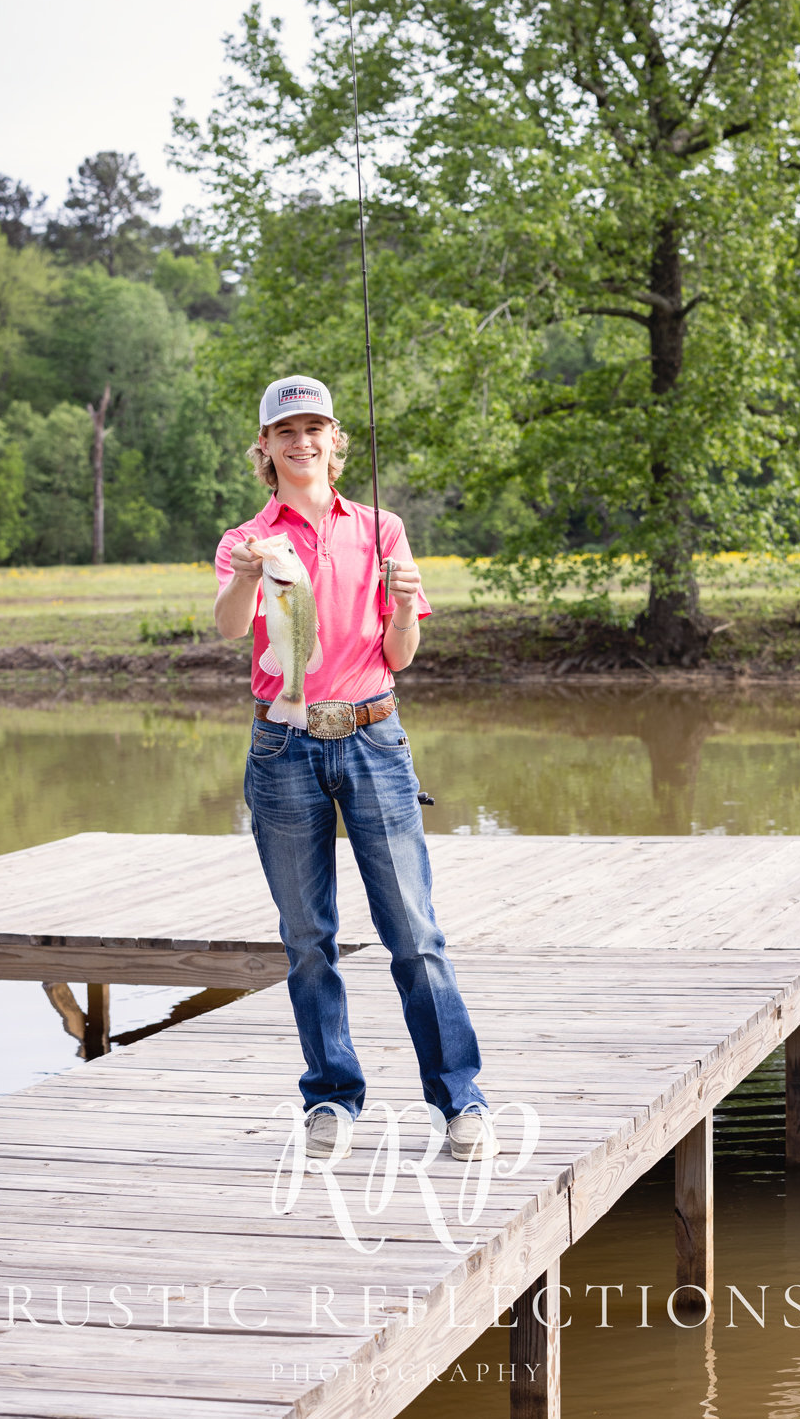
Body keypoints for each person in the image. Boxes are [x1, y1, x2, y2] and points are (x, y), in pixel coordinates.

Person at [214, 374, 496, 1163]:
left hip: (372, 737)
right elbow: (231, 627)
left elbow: (399, 654)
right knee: (308, 939)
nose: (301, 442)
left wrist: (404, 606)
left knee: (414, 932)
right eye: (286, 431)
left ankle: (459, 1100)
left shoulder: (381, 528)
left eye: (314, 428)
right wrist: (247, 575)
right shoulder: (247, 540)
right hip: (282, 745)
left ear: (335, 440)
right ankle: (331, 1098)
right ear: (265, 447)